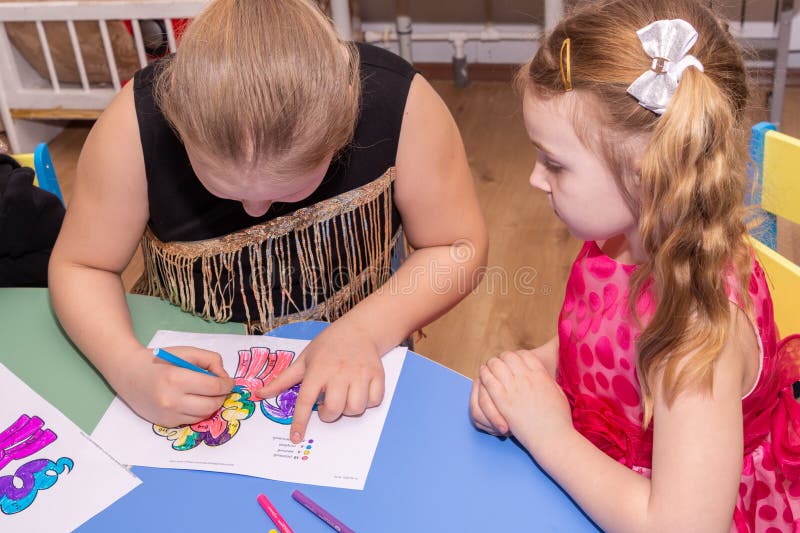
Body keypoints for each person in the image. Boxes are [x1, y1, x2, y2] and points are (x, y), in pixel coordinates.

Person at [49, 0, 487, 445]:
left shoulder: (401, 103)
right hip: (181, 361)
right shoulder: (134, 125)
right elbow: (82, 265)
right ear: (180, 128)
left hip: (361, 351)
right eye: (225, 188)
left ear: (342, 132)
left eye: (289, 189)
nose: (256, 211)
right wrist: (127, 366)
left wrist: (365, 330)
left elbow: (455, 246)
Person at [469, 0, 799, 530]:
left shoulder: (697, 336)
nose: (534, 179)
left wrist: (549, 433)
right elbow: (603, 336)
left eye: (554, 163)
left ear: (646, 177)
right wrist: (542, 367)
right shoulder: (626, 238)